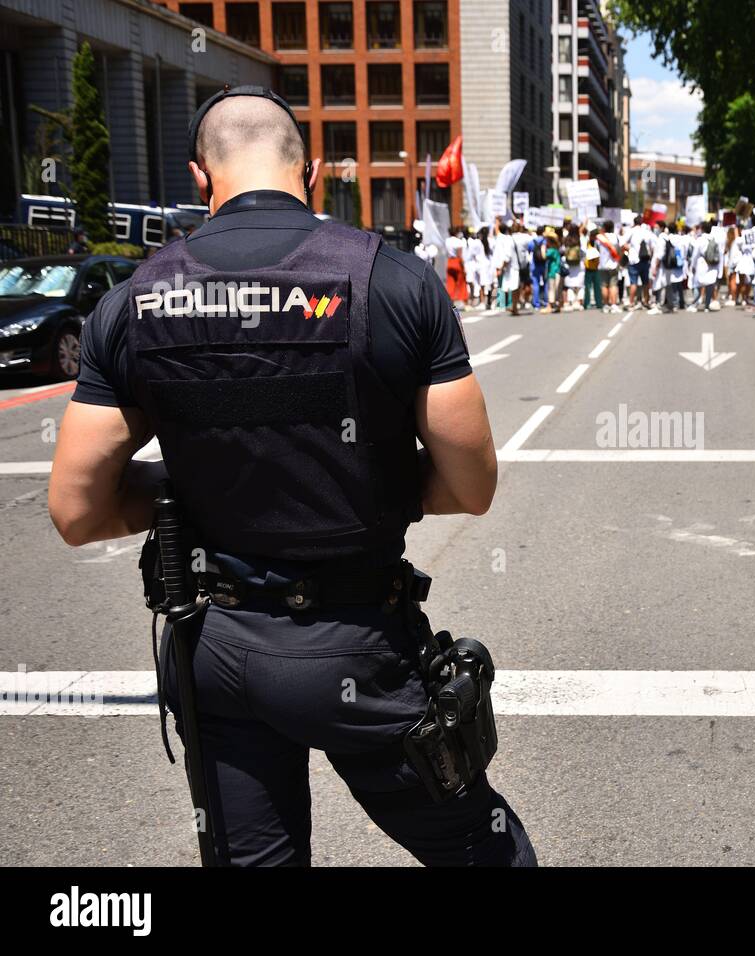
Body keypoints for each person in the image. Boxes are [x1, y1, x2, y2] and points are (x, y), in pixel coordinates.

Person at [47, 87, 535, 868]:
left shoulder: (134, 303)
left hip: (219, 646)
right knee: (486, 852)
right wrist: (378, 485)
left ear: (199, 180)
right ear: (309, 173)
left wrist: (191, 484)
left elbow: (76, 510)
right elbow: (470, 484)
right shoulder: (395, 280)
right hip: (358, 647)